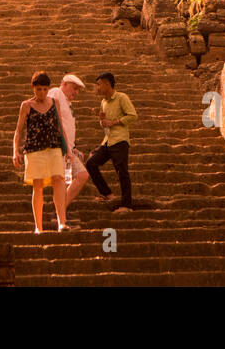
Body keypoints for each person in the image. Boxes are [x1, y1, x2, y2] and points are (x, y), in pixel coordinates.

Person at [12, 72, 69, 234]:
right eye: (38, 89)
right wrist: (15, 151)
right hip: (34, 149)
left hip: (54, 146)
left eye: (45, 89)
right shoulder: (26, 105)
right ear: (33, 88)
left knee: (58, 180)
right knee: (38, 186)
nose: (42, 93)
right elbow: (18, 131)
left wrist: (69, 150)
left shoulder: (55, 102)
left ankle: (62, 222)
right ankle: (38, 226)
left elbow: (60, 127)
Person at [85, 71, 137, 212]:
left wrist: (113, 122)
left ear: (108, 84)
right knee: (91, 163)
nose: (97, 88)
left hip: (120, 140)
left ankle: (127, 205)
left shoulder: (121, 97)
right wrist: (102, 122)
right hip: (107, 141)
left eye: (99, 84)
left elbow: (133, 116)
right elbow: (105, 124)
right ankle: (108, 194)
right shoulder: (103, 102)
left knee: (122, 172)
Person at [48, 74, 89, 211]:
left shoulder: (67, 103)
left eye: (78, 90)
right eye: (74, 88)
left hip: (68, 150)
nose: (76, 93)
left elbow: (67, 126)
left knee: (70, 180)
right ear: (64, 84)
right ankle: (59, 213)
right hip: (59, 148)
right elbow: (53, 119)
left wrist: (74, 148)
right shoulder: (56, 92)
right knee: (71, 179)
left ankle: (60, 212)